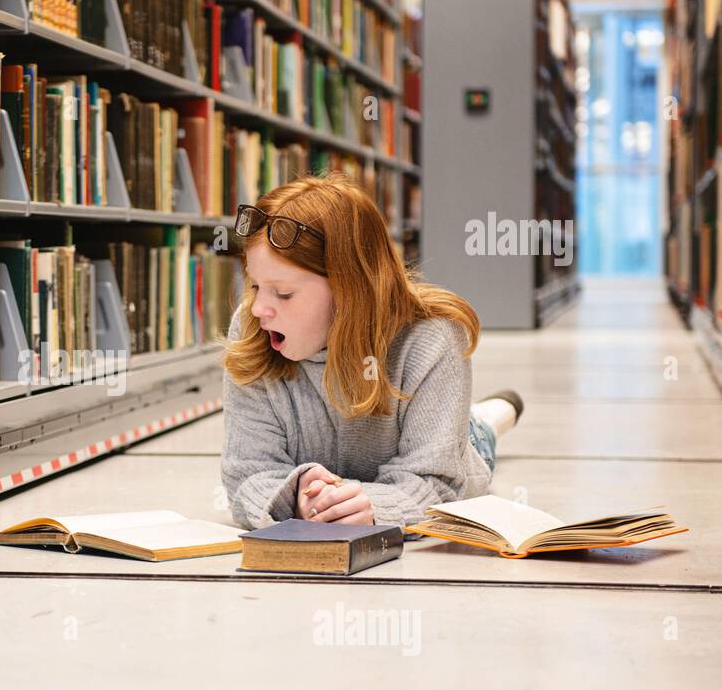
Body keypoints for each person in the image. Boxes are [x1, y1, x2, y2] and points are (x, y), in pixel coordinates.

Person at [219, 173, 524, 534]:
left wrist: (375, 508)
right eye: (255, 286)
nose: (258, 309)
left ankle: (486, 421)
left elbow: (439, 481)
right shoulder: (253, 328)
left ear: (350, 289)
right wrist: (295, 496)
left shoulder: (434, 338)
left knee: (474, 441)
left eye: (283, 293)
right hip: (363, 465)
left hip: (455, 448)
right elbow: (246, 473)